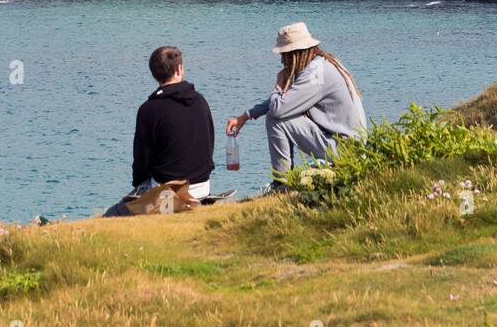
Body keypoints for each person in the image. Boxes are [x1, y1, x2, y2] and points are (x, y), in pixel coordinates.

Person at [226, 22, 366, 178]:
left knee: (276, 119)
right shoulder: (319, 64)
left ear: (294, 53)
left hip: (346, 150)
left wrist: (279, 85)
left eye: (283, 55)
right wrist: (246, 116)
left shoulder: (315, 75)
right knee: (278, 111)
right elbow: (288, 101)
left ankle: (282, 182)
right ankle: (284, 179)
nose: (282, 60)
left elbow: (278, 109)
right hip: (350, 146)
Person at [131, 45, 215, 198]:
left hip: (166, 189)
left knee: (116, 212)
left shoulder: (148, 110)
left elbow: (142, 159)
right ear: (179, 69)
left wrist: (138, 183)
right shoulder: (200, 100)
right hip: (202, 185)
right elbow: (210, 142)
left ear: (154, 74)